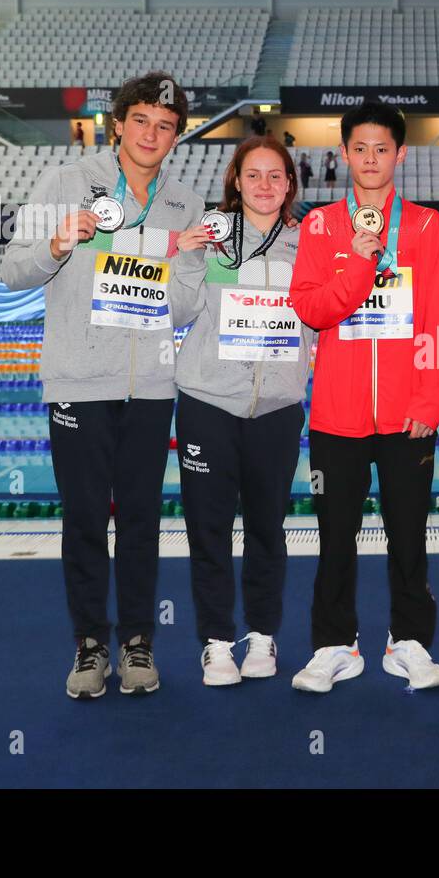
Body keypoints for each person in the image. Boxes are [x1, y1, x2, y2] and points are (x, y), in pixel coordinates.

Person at [1, 72, 208, 699]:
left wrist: (149, 282)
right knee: (86, 518)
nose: (152, 134)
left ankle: (138, 642)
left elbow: (188, 302)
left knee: (142, 520)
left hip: (148, 387)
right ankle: (89, 646)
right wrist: (60, 243)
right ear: (119, 123)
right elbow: (12, 270)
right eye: (141, 120)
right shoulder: (65, 184)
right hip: (78, 382)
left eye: (165, 126)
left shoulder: (185, 206)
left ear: (177, 137)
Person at [288, 101, 439, 693]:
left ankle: (408, 639)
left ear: (401, 155)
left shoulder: (430, 227)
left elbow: (437, 317)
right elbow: (310, 307)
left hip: (409, 411)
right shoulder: (320, 227)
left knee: (409, 533)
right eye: (361, 149)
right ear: (344, 154)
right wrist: (357, 265)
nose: (372, 159)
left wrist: (431, 399)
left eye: (383, 149)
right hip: (338, 412)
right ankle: (336, 644)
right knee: (336, 534)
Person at [169, 135, 311, 686]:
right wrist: (185, 255)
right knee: (208, 529)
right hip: (209, 401)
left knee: (267, 529)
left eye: (276, 175)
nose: (265, 185)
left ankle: (263, 636)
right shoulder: (212, 238)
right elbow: (178, 310)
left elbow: (323, 310)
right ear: (235, 180)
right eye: (254, 175)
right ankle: (217, 641)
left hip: (276, 406)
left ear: (290, 185)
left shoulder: (305, 243)